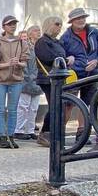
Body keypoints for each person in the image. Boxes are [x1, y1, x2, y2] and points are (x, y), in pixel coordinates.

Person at [60, 8, 98, 116]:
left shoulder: (94, 32)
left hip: (93, 73)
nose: (81, 20)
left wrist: (96, 61)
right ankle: (61, 130)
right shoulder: (65, 37)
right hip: (74, 74)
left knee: (87, 103)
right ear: (72, 21)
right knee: (68, 103)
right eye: (78, 18)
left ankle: (82, 131)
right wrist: (69, 58)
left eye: (83, 18)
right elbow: (61, 56)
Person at [0, 15, 29, 148]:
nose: (12, 26)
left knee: (13, 109)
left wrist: (18, 63)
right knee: (0, 109)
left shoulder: (22, 42)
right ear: (4, 27)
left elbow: (25, 62)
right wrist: (8, 64)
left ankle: (11, 136)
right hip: (0, 80)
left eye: (14, 24)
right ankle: (2, 137)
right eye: (9, 24)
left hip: (16, 79)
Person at [35, 16, 71, 144]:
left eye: (60, 24)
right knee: (54, 106)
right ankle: (45, 132)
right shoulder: (42, 41)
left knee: (57, 106)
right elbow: (47, 58)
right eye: (57, 24)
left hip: (58, 78)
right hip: (48, 78)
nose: (59, 27)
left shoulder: (57, 42)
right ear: (49, 25)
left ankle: (51, 133)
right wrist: (66, 60)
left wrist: (66, 60)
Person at [16, 24, 43, 140]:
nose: (38, 32)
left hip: (37, 81)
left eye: (39, 30)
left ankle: (30, 130)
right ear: (30, 33)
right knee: (23, 106)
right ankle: (19, 129)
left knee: (34, 108)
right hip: (26, 80)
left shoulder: (41, 47)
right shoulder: (25, 46)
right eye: (36, 30)